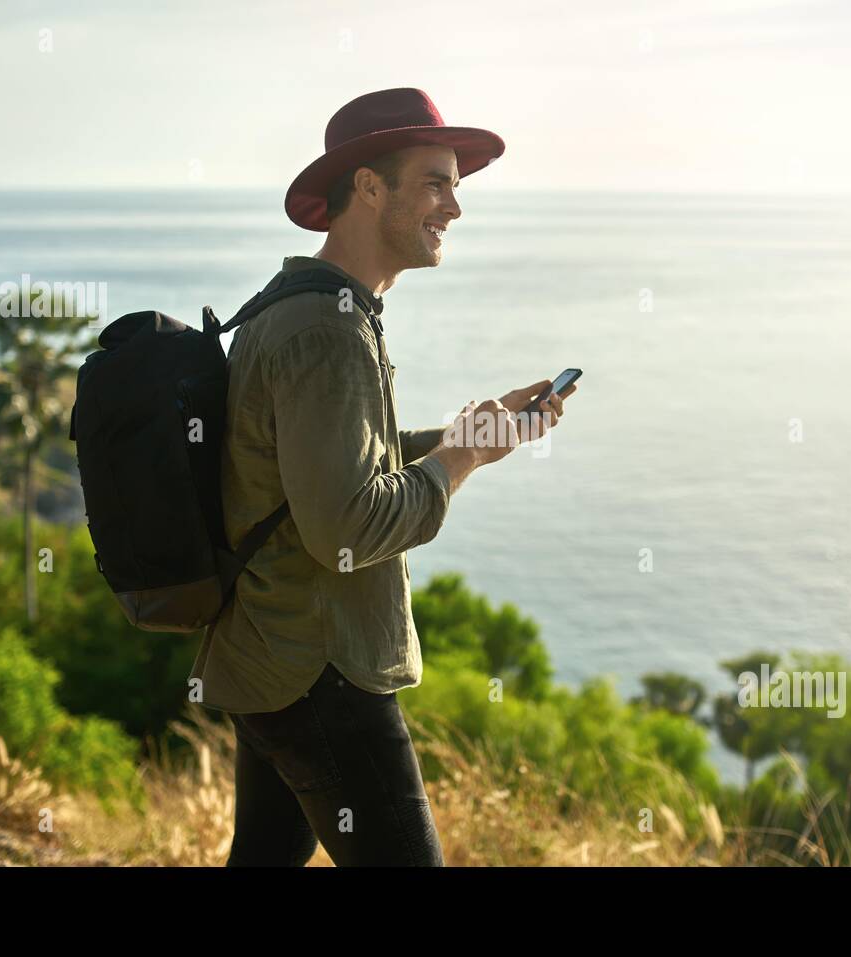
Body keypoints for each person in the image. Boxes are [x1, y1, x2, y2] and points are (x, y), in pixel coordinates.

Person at [189, 88, 577, 866]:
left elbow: (323, 460)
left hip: (269, 649)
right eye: (436, 183)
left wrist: (466, 436)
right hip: (321, 670)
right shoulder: (328, 329)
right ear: (369, 187)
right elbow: (348, 527)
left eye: (456, 187)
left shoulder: (304, 305)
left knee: (262, 857)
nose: (454, 208)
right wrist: (459, 460)